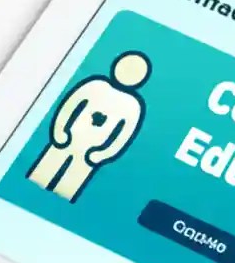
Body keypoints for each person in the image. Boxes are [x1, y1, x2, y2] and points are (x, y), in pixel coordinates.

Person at [27, 51, 151, 202]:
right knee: (43, 170)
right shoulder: (95, 86)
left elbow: (123, 136)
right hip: (67, 140)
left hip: (89, 154)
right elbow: (70, 105)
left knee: (70, 185)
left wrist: (101, 154)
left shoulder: (133, 106)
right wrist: (59, 132)